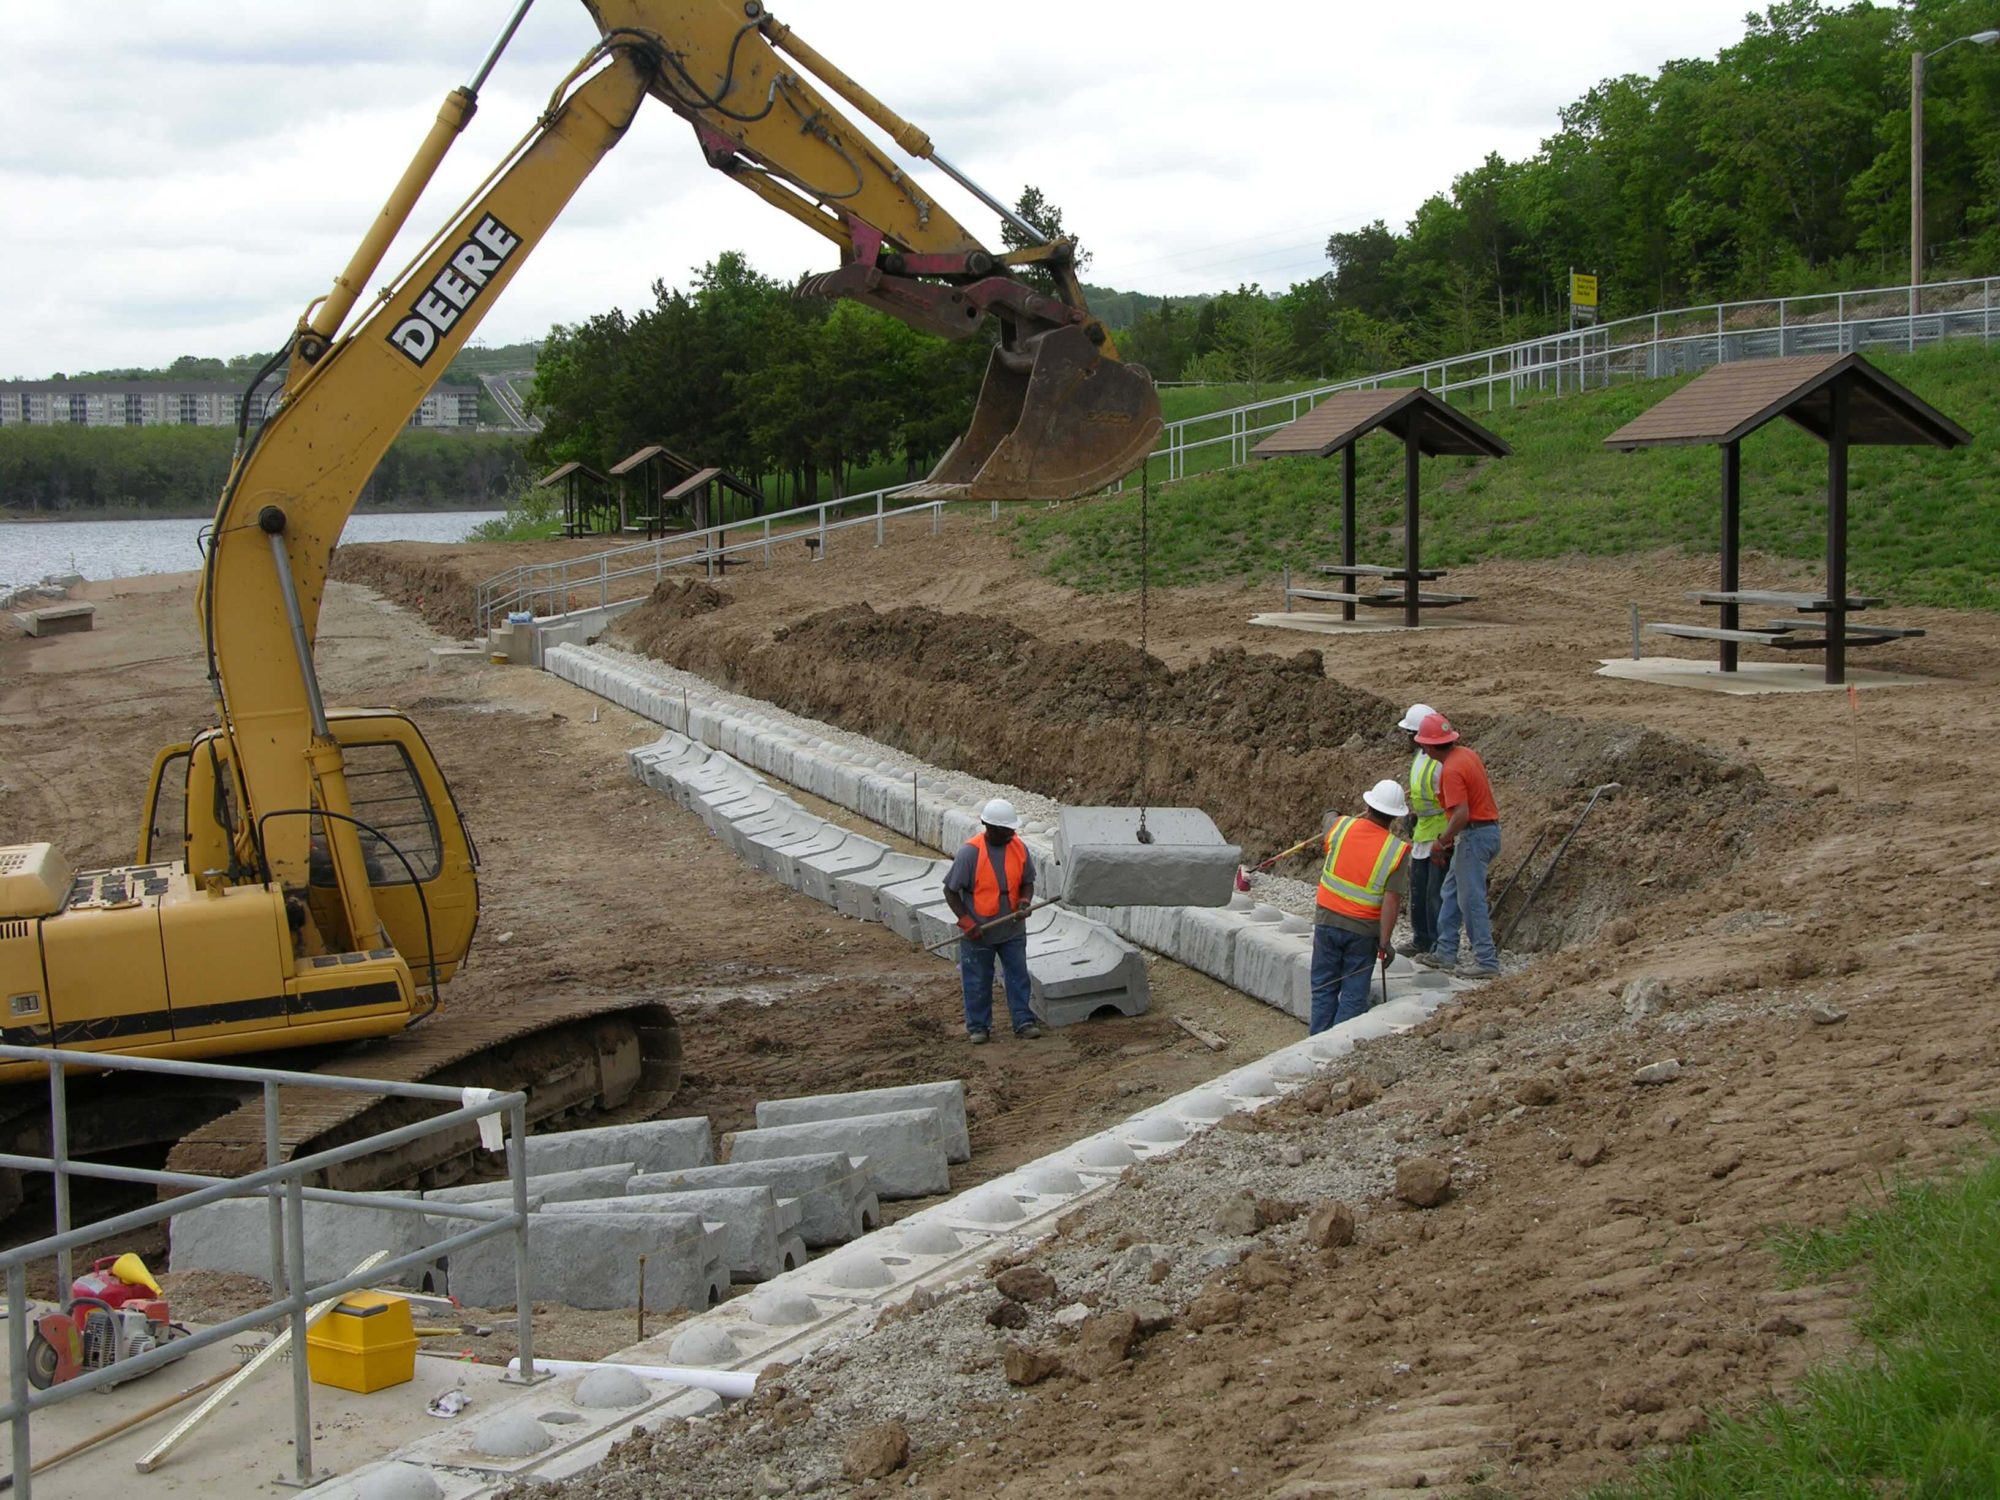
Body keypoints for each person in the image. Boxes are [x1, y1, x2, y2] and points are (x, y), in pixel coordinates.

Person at [1308, 779, 1411, 1035]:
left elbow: (1328, 818)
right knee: (1354, 994)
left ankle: (1316, 1040)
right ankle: (1340, 1048)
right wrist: (1385, 942)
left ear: (1368, 806)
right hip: (1363, 932)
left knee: (1324, 987)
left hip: (1327, 921)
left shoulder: (1340, 826)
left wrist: (1332, 812)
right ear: (1395, 818)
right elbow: (1391, 900)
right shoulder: (1396, 850)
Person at [942, 798, 1044, 1044]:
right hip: (981, 931)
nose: (1012, 833)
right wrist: (966, 921)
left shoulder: (1018, 847)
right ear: (991, 827)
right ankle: (978, 1026)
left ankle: (1023, 1020)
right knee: (977, 980)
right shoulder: (971, 853)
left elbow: (1027, 882)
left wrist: (1024, 902)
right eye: (1007, 829)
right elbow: (950, 891)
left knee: (1018, 976)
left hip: (1012, 928)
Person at [1412, 712, 1503, 978]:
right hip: (1484, 832)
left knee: (1470, 900)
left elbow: (1461, 814)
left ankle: (1486, 960)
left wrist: (1442, 841)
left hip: (1475, 836)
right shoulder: (1466, 754)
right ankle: (1445, 951)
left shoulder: (1450, 770)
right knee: (1451, 891)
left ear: (1428, 746)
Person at [1396, 702, 1447, 959]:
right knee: (1418, 887)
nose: (1406, 739)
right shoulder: (1421, 757)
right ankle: (1422, 939)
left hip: (1439, 832)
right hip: (1423, 831)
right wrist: (1413, 815)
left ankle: (1438, 944)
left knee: (1434, 892)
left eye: (1409, 734)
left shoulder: (1438, 763)